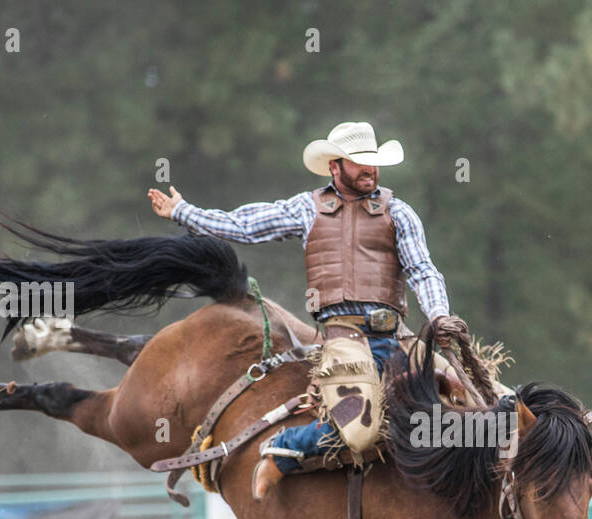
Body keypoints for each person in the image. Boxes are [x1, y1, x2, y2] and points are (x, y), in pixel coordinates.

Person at [148, 121, 453, 499]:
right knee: (361, 430)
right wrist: (183, 212)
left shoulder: (399, 213)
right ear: (334, 167)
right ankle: (284, 450)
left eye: (373, 162)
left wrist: (439, 315)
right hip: (346, 341)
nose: (369, 170)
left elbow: (423, 270)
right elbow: (243, 225)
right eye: (359, 162)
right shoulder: (306, 209)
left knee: (469, 398)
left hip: (397, 338)